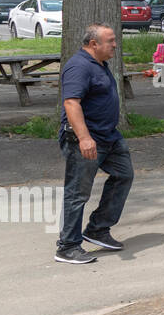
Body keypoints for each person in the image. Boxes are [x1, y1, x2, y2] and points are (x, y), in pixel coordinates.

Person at [55, 24, 133, 265]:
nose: (114, 45)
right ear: (93, 44)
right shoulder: (79, 66)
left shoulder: (99, 64)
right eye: (110, 41)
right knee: (78, 192)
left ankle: (98, 229)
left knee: (124, 175)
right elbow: (71, 104)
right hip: (87, 139)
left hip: (109, 136)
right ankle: (67, 246)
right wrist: (84, 138)